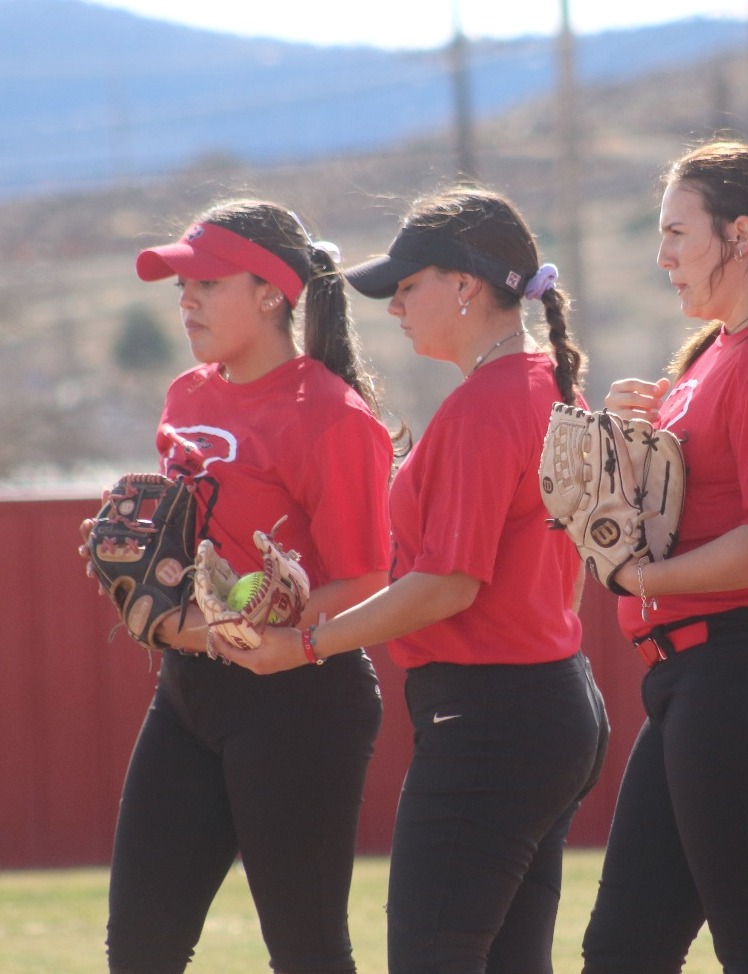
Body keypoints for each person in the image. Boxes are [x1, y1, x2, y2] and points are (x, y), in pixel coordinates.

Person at [220, 187, 610, 974]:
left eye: (408, 286)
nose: (393, 306)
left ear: (466, 286)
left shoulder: (486, 407)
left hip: (492, 714)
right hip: (551, 701)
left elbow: (446, 587)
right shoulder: (544, 381)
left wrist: (305, 644)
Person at [98, 199, 398, 974]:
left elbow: (366, 578)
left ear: (271, 292)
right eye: (180, 285)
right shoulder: (187, 395)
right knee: (139, 946)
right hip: (189, 689)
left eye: (205, 281)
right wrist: (171, 618)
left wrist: (278, 634)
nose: (185, 299)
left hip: (296, 701)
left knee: (305, 952)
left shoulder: (331, 417)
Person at [580, 139, 748, 974]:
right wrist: (625, 438)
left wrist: (641, 579)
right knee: (624, 948)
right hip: (693, 681)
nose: (659, 255)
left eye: (676, 234)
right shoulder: (718, 349)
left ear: (742, 236)